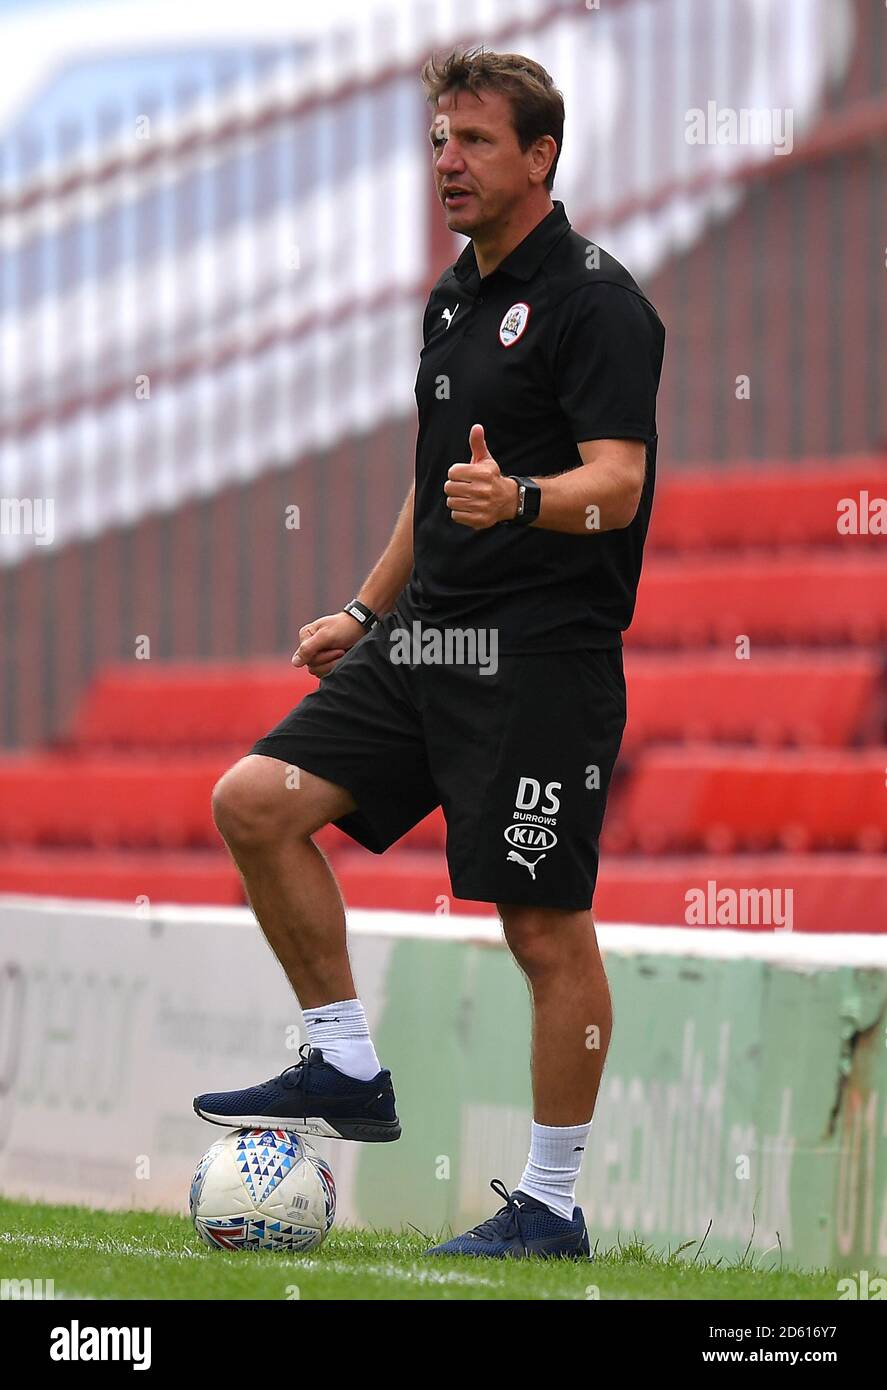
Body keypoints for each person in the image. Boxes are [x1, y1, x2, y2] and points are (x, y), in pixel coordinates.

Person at [195, 45, 665, 1260]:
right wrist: (363, 608)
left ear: (539, 156)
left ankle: (551, 1203)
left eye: (473, 142)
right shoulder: (451, 297)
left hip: (539, 659)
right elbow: (434, 484)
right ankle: (346, 1062)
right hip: (425, 642)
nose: (445, 162)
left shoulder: (598, 300)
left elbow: (616, 485)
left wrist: (517, 502)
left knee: (540, 928)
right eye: (438, 140)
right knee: (254, 801)